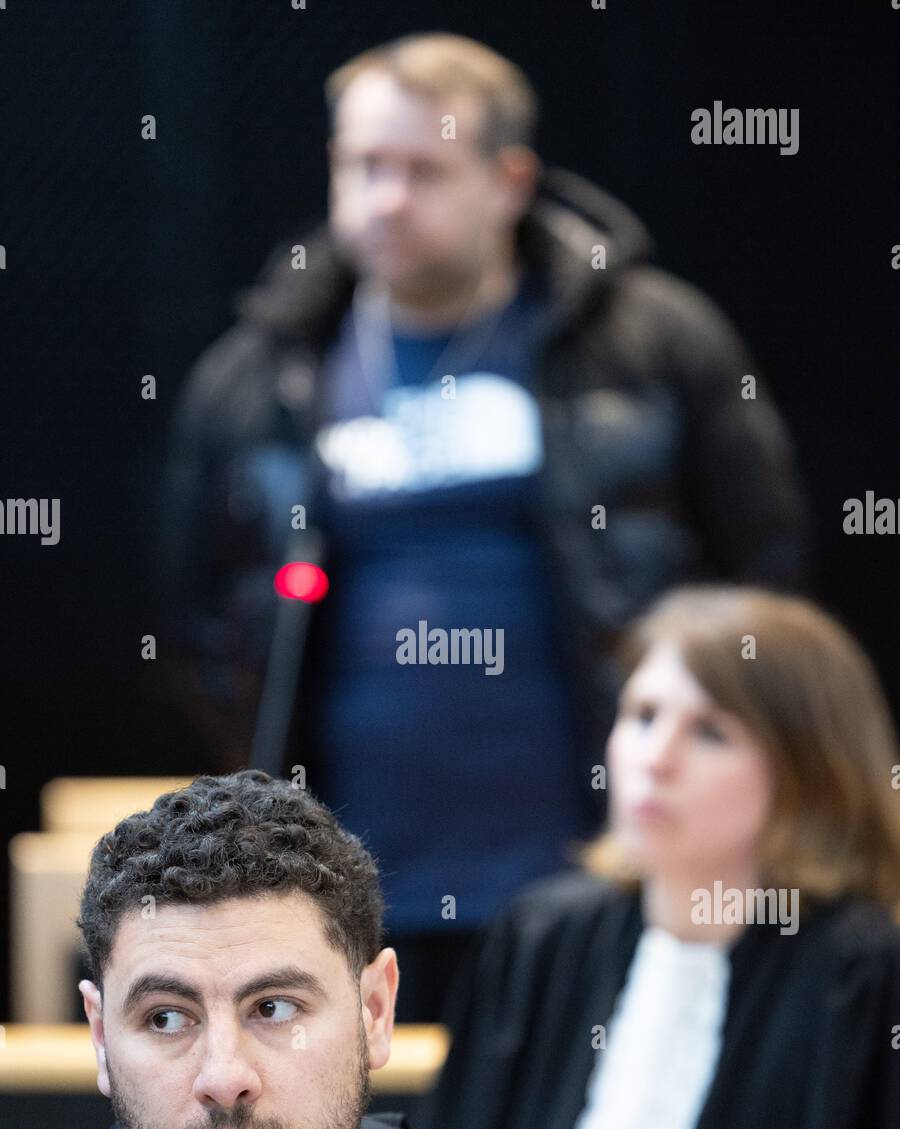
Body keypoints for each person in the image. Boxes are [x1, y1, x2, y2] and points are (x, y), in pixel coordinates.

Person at [160, 32, 811, 1023]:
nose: (385, 198)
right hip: (349, 888)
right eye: (363, 165)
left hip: (602, 871)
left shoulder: (651, 340)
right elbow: (205, 614)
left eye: (422, 169)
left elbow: (759, 576)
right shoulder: (264, 373)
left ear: (509, 180)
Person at [411, 585, 900, 1129]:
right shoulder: (544, 933)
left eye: (710, 732)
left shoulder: (861, 973)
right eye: (642, 716)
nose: (655, 759)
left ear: (807, 772)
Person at [0, 770, 591, 1129]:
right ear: (100, 1036)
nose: (225, 1078)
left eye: (274, 1007)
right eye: (167, 1018)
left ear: (375, 1010)